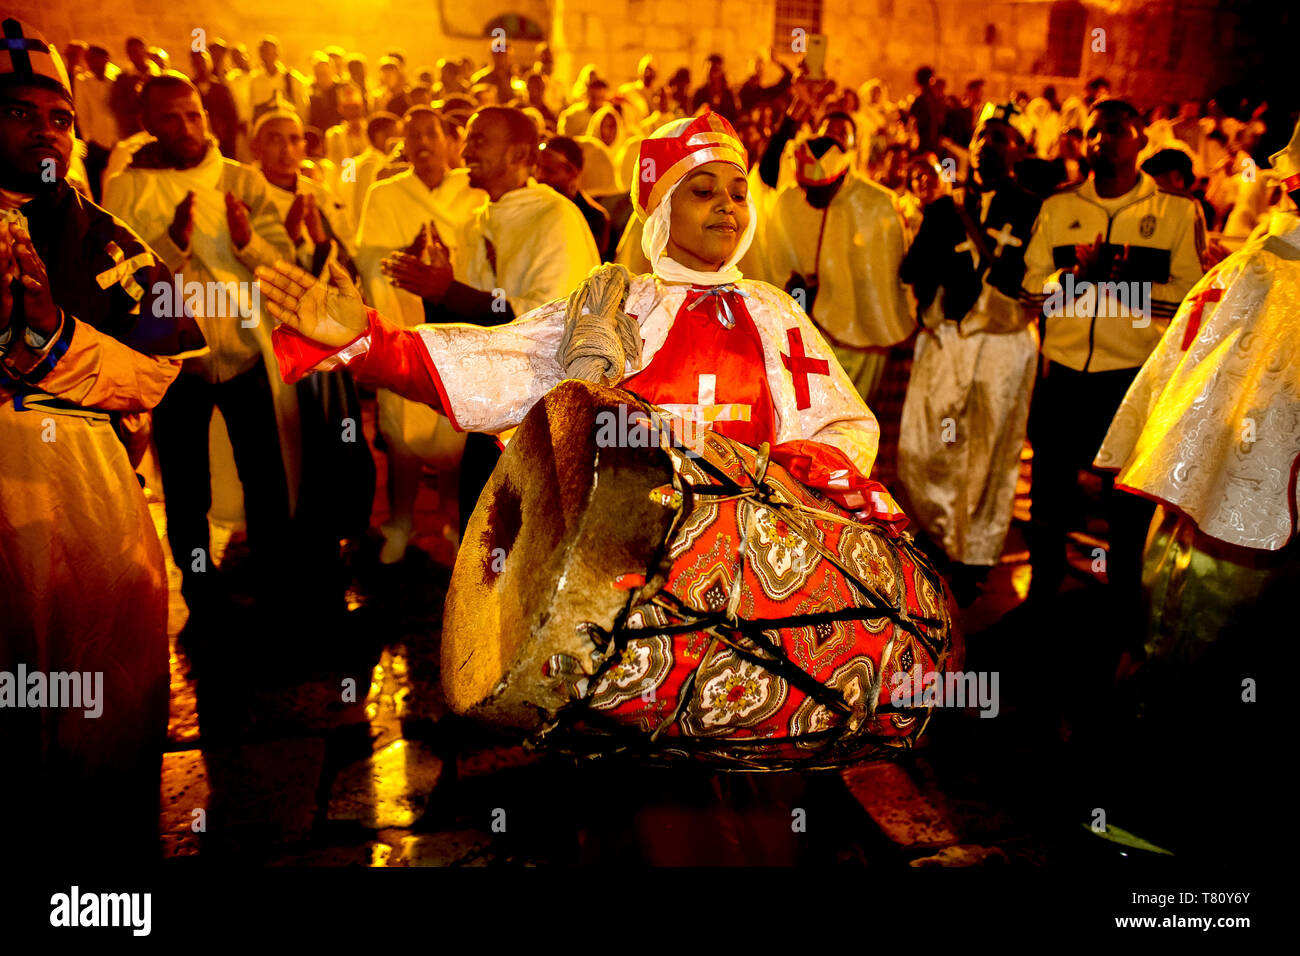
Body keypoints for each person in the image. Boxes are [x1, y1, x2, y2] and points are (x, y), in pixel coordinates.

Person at [260, 109, 905, 542]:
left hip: (756, 561)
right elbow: (490, 364)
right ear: (659, 209)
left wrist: (791, 473)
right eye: (703, 190)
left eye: (738, 192)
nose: (729, 207)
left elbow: (845, 424)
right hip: (634, 567)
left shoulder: (775, 311)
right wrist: (368, 342)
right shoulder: (615, 306)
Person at [0, 18, 203, 859]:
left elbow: (161, 365)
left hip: (85, 497)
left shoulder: (100, 236)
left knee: (99, 710)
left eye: (59, 117)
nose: (44, 131)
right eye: (19, 113)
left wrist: (53, 335)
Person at [102, 72, 299, 632]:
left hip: (244, 353)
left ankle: (274, 582)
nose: (187, 127)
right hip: (177, 364)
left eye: (195, 115)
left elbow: (282, 263)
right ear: (146, 125)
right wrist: (172, 245)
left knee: (265, 476)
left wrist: (246, 243)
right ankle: (200, 591)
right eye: (171, 117)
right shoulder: (126, 190)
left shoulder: (242, 180)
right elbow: (118, 280)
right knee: (186, 489)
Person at [1020, 99, 1205, 623]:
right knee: (1049, 498)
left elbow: (1190, 297)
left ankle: (1123, 609)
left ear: (1141, 138)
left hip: (1129, 378)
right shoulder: (1059, 207)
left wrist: (1120, 276)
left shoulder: (1175, 211)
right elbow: (1031, 293)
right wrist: (1074, 280)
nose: (1104, 141)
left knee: (1126, 504)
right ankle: (1041, 595)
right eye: (1095, 133)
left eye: (1117, 131)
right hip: (1064, 375)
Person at [897, 103, 1043, 603]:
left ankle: (976, 555)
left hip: (1003, 346)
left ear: (1019, 150)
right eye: (981, 136)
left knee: (990, 450)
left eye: (1001, 138)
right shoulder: (944, 206)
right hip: (951, 340)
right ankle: (936, 538)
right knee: (928, 445)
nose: (986, 146)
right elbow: (912, 269)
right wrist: (933, 222)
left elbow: (1026, 280)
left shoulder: (1033, 206)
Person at [355, 106, 485, 562]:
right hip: (406, 323)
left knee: (457, 427)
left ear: (450, 140)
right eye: (413, 137)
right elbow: (367, 259)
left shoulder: (473, 190)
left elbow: (486, 254)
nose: (423, 144)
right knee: (400, 430)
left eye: (431, 134)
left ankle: (453, 521)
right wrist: (400, 259)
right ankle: (401, 521)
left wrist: (452, 268)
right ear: (403, 146)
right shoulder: (384, 194)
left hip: (462, 322)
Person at [762, 132, 914, 403]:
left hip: (867, 338)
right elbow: (779, 261)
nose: (809, 198)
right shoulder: (789, 201)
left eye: (819, 192)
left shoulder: (877, 203)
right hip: (808, 326)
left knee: (855, 409)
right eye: (805, 189)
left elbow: (885, 277)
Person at [536, 135, 611, 254]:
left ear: (573, 174)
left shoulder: (594, 218)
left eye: (549, 171)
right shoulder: (533, 204)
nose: (540, 176)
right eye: (538, 168)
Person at [72, 44, 118, 200]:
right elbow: (82, 110)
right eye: (88, 59)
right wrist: (89, 139)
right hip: (96, 140)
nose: (90, 62)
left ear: (106, 59)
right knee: (96, 184)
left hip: (117, 140)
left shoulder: (117, 79)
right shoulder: (83, 81)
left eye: (93, 58)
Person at [190, 48, 238, 159]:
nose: (201, 66)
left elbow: (232, 117)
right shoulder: (190, 89)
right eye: (197, 62)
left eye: (204, 61)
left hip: (222, 141)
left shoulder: (221, 88)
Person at [691, 54, 738, 121]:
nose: (712, 75)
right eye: (709, 70)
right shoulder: (699, 93)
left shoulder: (728, 94)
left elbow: (734, 117)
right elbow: (693, 118)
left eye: (715, 70)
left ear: (721, 72)